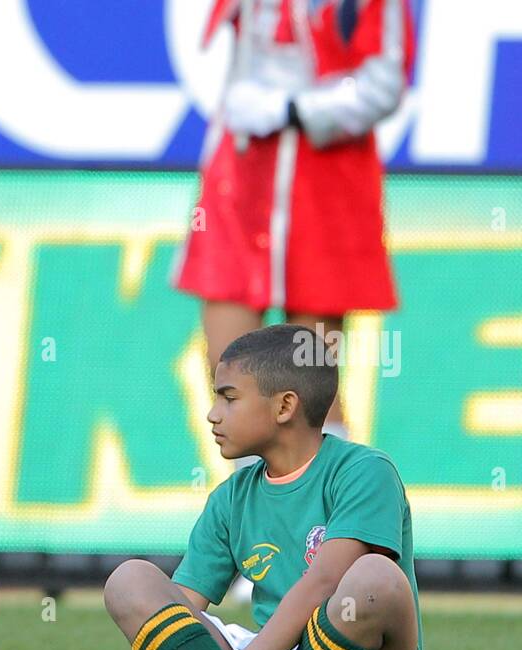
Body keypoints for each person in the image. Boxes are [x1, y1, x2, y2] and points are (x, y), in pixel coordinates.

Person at [90, 324, 426, 650]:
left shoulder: (364, 470)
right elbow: (177, 608)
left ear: (285, 406)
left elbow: (325, 582)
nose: (213, 414)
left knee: (375, 579)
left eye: (228, 398)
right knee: (130, 582)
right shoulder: (230, 497)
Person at [172, 0, 415, 431]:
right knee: (231, 373)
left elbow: (385, 84)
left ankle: (328, 498)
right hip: (239, 186)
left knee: (306, 385)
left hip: (323, 193)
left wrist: (294, 109)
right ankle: (256, 498)